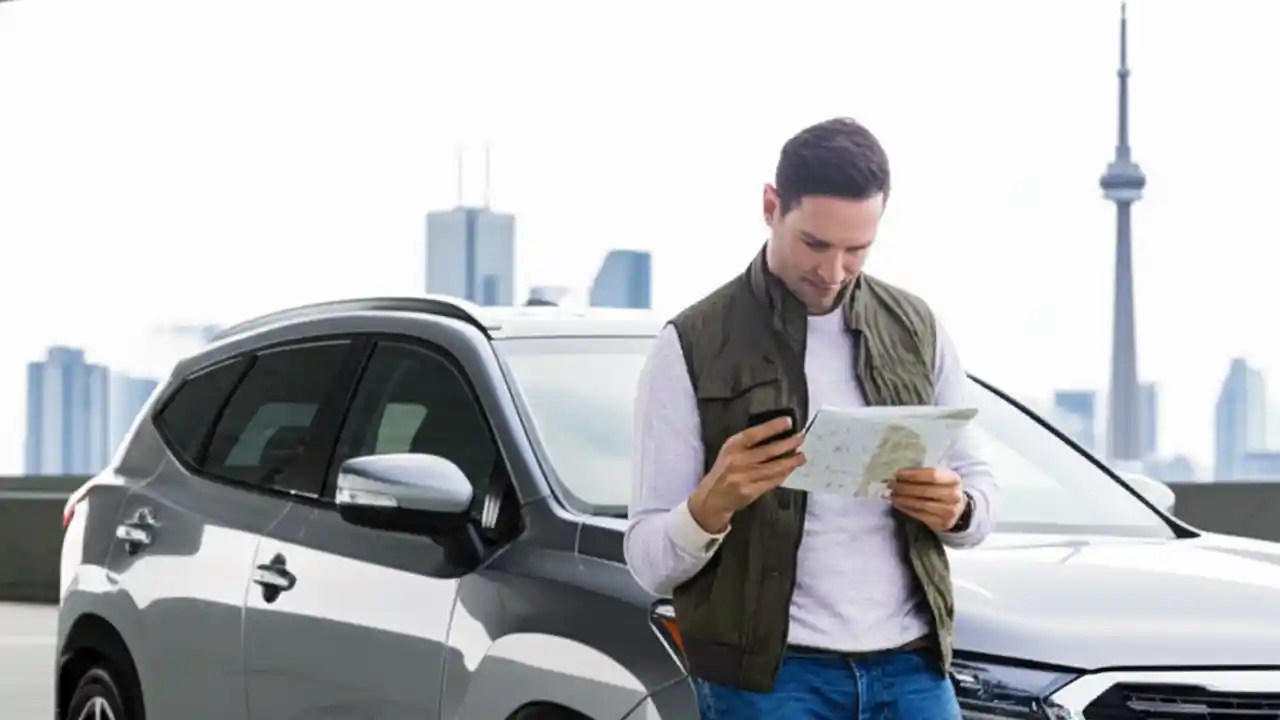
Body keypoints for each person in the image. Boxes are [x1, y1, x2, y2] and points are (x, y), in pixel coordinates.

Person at [623, 117, 999, 719]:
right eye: (815, 244)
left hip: (913, 669)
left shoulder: (918, 328)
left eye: (858, 249)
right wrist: (710, 505)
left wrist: (958, 510)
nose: (833, 272)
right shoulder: (690, 345)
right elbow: (647, 562)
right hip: (770, 680)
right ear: (771, 207)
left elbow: (980, 497)